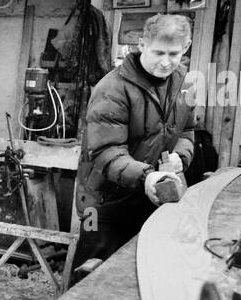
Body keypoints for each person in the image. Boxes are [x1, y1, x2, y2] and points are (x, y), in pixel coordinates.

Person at [72, 14, 196, 271]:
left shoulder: (183, 83)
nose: (165, 62)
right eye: (158, 52)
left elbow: (188, 130)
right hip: (101, 204)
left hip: (146, 198)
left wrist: (180, 157)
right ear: (141, 45)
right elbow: (106, 152)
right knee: (90, 278)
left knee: (135, 275)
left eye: (173, 54)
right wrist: (147, 177)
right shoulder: (112, 88)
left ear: (185, 47)